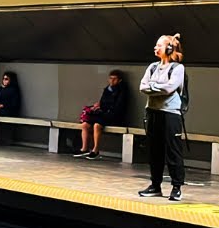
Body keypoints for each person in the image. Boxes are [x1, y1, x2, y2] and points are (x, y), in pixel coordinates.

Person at [138, 34, 186, 201]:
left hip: (170, 114)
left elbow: (170, 88)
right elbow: (142, 86)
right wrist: (158, 87)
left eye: (159, 45)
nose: (155, 48)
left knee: (173, 150)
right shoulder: (152, 67)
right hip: (152, 111)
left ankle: (177, 186)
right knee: (154, 150)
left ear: (169, 48)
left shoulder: (178, 68)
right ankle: (155, 185)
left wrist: (153, 87)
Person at [74, 70, 128, 160]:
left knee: (97, 126)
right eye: (110, 78)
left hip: (113, 116)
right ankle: (84, 148)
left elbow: (117, 106)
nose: (112, 81)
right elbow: (103, 101)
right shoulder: (107, 89)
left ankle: (95, 150)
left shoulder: (122, 91)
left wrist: (102, 106)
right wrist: (98, 106)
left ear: (119, 80)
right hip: (103, 114)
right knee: (85, 125)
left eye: (114, 79)